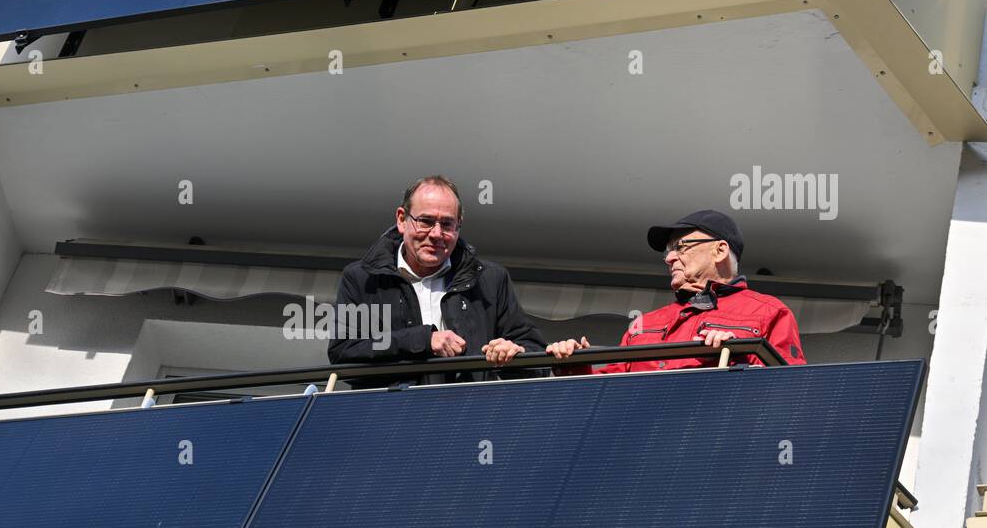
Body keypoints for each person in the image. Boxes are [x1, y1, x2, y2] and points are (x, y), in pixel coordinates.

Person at [328, 175, 545, 384]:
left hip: (470, 416)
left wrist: (513, 355)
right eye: (426, 221)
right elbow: (344, 353)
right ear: (402, 220)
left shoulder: (491, 279)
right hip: (393, 416)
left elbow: (537, 358)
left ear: (459, 226)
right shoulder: (361, 278)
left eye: (447, 224)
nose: (436, 234)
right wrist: (424, 340)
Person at [546, 209, 805, 372]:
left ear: (720, 250)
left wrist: (741, 359)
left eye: (681, 247)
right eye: (668, 252)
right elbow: (609, 393)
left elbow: (790, 393)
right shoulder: (643, 324)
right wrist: (572, 365)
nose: (669, 258)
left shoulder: (771, 312)